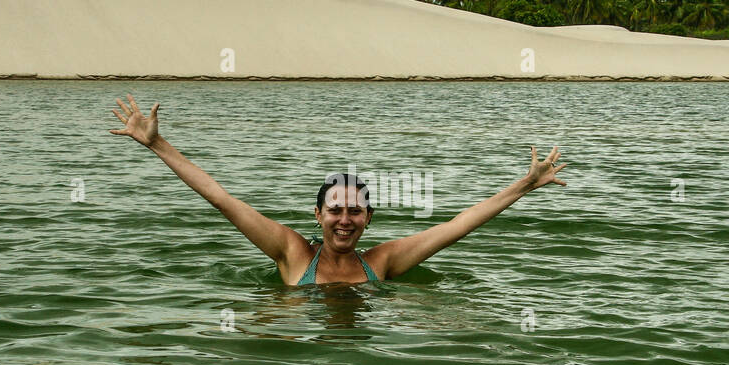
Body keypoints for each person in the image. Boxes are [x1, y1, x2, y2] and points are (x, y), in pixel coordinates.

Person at [110, 93, 569, 285]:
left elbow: (458, 225)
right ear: (318, 216)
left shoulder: (383, 262)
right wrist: (158, 144)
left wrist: (524, 186)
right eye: (335, 210)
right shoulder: (292, 253)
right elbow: (221, 198)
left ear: (368, 219)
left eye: (354, 211)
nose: (344, 219)